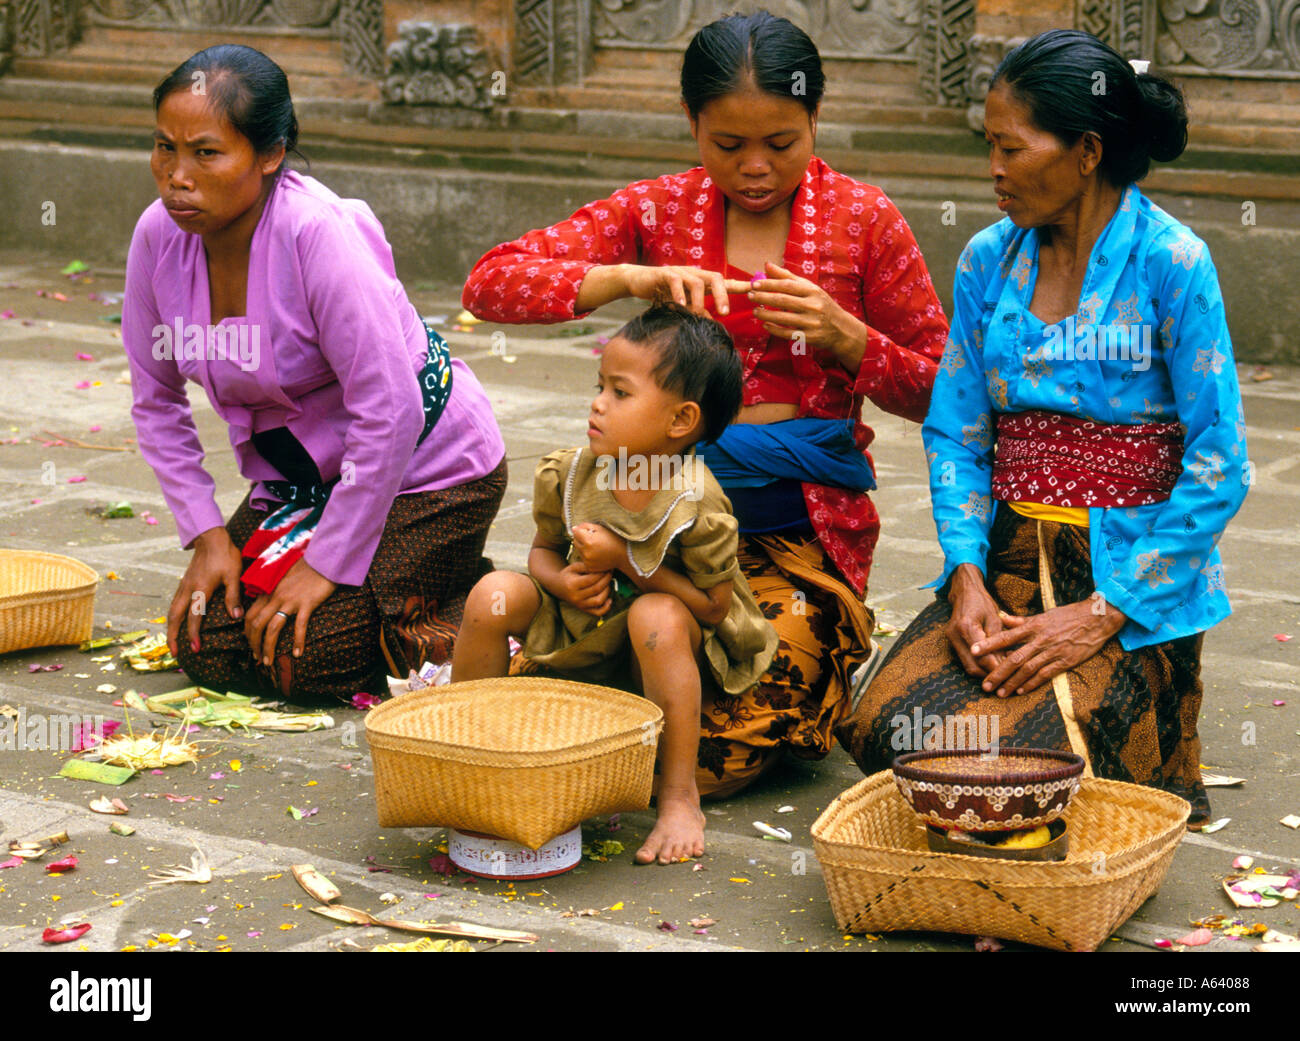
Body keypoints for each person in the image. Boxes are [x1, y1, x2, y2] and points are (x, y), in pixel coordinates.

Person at [462, 10, 948, 796]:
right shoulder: (658, 211)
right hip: (647, 533)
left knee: (724, 754)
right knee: (598, 692)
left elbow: (945, 393)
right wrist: (630, 279)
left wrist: (850, 338)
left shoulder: (864, 221)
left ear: (815, 117)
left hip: (797, 540)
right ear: (691, 121)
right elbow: (489, 284)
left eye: (782, 143)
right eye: (728, 145)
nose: (755, 167)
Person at [837, 30, 1249, 827]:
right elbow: (958, 431)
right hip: (1010, 564)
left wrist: (1101, 612)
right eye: (988, 146)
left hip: (1130, 586)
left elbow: (1220, 462)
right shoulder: (989, 259)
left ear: (1087, 151)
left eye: (1012, 148)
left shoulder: (1173, 261)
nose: (993, 169)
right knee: (886, 723)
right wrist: (965, 575)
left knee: (1026, 758)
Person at [122, 44, 507, 704]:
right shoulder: (158, 237)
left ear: (269, 154)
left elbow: (390, 412)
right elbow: (156, 401)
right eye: (164, 148)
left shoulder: (319, 234)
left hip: (428, 474)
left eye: (206, 153)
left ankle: (476, 599)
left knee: (310, 658)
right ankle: (388, 596)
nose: (176, 176)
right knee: (204, 641)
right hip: (300, 481)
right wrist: (208, 534)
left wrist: (325, 563)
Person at [453, 304, 778, 863]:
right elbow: (542, 553)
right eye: (599, 386)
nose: (597, 403)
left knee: (656, 614)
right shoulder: (574, 472)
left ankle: (678, 796)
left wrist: (628, 561)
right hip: (582, 630)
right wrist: (561, 583)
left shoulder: (695, 499)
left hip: (660, 649)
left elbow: (712, 607)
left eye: (620, 393)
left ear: (680, 422)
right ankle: (466, 753)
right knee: (492, 593)